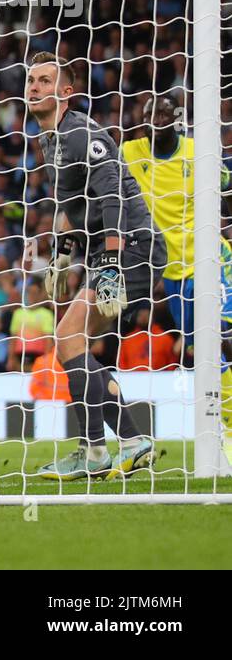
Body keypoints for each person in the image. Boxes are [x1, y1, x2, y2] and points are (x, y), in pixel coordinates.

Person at [26, 52, 166, 480]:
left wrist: (107, 266)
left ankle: (114, 446)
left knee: (68, 336)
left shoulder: (84, 134)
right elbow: (71, 207)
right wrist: (61, 261)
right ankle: (106, 448)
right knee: (72, 343)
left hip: (134, 250)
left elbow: (114, 201)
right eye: (31, 80)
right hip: (114, 254)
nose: (34, 87)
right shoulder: (51, 140)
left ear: (66, 91)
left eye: (46, 81)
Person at [120, 90, 232, 460]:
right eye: (149, 111)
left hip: (211, 261)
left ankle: (228, 432)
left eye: (164, 111)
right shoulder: (131, 153)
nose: (156, 117)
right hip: (172, 274)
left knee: (224, 339)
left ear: (177, 116)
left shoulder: (197, 152)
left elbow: (227, 188)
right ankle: (225, 433)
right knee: (204, 353)